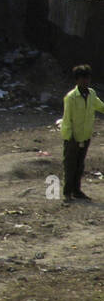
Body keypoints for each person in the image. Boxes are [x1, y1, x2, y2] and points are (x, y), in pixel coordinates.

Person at [61, 64, 104, 203]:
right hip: (72, 137)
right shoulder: (71, 97)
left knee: (80, 165)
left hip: (85, 136)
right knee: (70, 165)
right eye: (83, 78)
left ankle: (77, 191)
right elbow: (67, 119)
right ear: (77, 80)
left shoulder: (91, 94)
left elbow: (100, 107)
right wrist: (69, 137)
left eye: (88, 78)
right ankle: (67, 193)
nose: (86, 81)